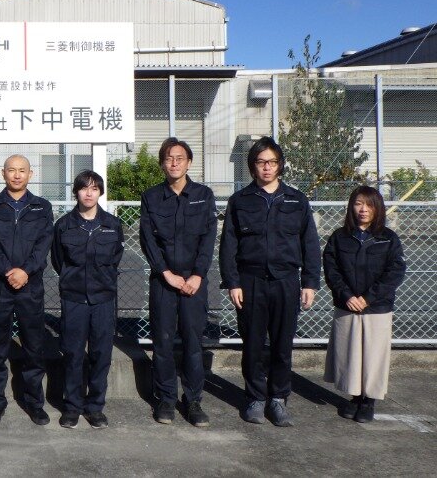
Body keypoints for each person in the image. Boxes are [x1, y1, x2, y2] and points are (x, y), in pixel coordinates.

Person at [219, 136, 320, 427]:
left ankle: (278, 399)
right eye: (261, 162)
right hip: (250, 282)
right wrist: (233, 282)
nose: (267, 167)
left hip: (286, 281)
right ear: (252, 166)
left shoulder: (297, 200)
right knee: (252, 344)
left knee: (282, 345)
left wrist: (310, 282)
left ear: (280, 165)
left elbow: (310, 244)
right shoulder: (240, 201)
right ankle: (254, 398)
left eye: (272, 162)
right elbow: (228, 245)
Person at [139, 138, 217, 427]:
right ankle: (166, 398)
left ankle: (193, 400)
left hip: (194, 282)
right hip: (164, 281)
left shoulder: (203, 195)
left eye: (179, 158)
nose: (174, 163)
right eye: (169, 158)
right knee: (162, 342)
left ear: (189, 163)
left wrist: (197, 274)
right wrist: (166, 273)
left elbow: (208, 238)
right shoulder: (151, 197)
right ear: (162, 163)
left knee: (193, 343)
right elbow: (147, 239)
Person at [0, 154, 54, 428]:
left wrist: (25, 271)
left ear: (30, 174)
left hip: (30, 287)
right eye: (12, 170)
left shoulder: (42, 207)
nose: (17, 175)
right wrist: (8, 272)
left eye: (22, 170)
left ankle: (34, 403)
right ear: (3, 173)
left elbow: (43, 244)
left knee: (34, 347)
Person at [323, 185, 406, 423]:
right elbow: (331, 270)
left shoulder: (388, 238)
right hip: (347, 304)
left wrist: (368, 298)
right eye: (358, 203)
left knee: (374, 355)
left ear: (378, 208)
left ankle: (368, 401)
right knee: (349, 353)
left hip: (377, 308)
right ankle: (355, 397)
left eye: (369, 205)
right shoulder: (339, 237)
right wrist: (347, 295)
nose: (363, 209)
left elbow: (395, 272)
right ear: (351, 207)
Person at [52, 170, 124, 429]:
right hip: (74, 299)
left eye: (94, 188)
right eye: (84, 188)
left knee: (100, 355)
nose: (89, 193)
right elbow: (58, 260)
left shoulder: (112, 224)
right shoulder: (63, 225)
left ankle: (95, 408)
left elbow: (115, 258)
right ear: (76, 192)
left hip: (103, 299)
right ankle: (72, 407)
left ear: (100, 192)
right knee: (72, 354)